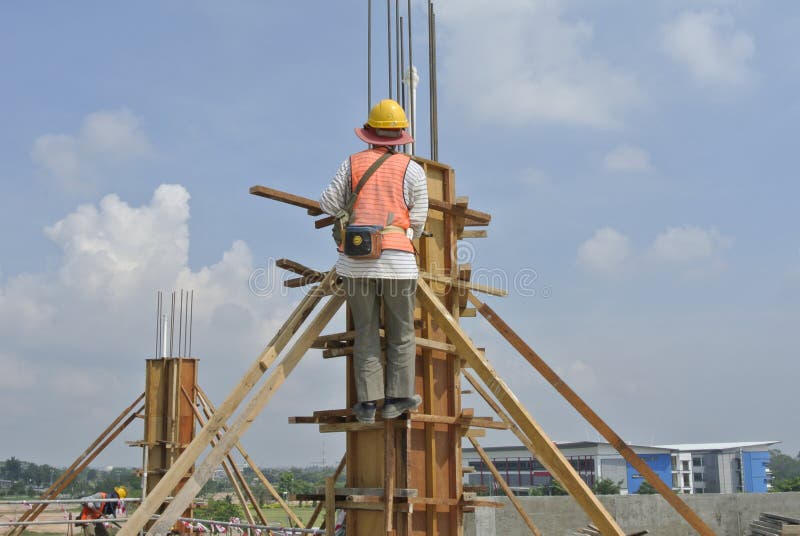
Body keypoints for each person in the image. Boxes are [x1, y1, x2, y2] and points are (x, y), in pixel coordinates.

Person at [320, 99, 428, 424]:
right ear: (400, 137)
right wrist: (400, 234)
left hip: (356, 261)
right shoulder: (412, 169)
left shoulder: (351, 164)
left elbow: (328, 203)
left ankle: (367, 404)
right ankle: (398, 398)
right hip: (399, 261)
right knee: (401, 331)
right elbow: (418, 220)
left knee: (365, 331)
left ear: (369, 133)